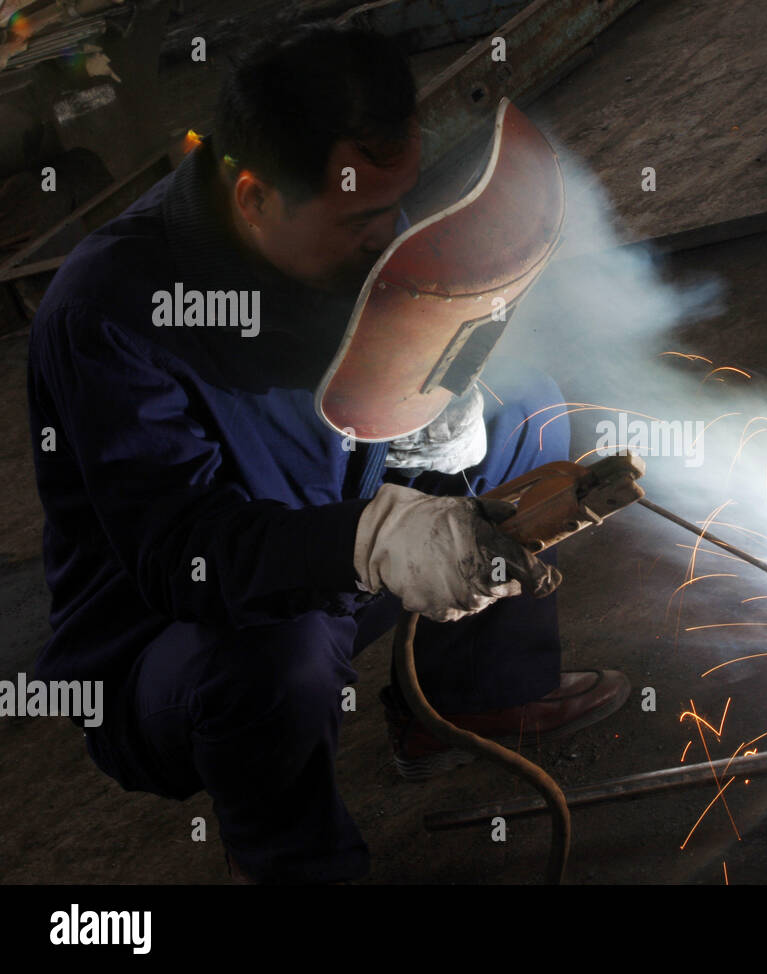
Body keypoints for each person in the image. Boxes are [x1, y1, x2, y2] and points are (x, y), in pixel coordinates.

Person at [25, 22, 628, 884]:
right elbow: (182, 558)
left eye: (396, 202)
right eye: (361, 218)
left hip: (337, 562)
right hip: (179, 641)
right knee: (280, 649)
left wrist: (448, 409)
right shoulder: (110, 314)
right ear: (255, 200)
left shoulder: (346, 227)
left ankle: (474, 691)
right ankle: (295, 863)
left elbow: (418, 360)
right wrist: (369, 540)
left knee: (525, 410)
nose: (389, 236)